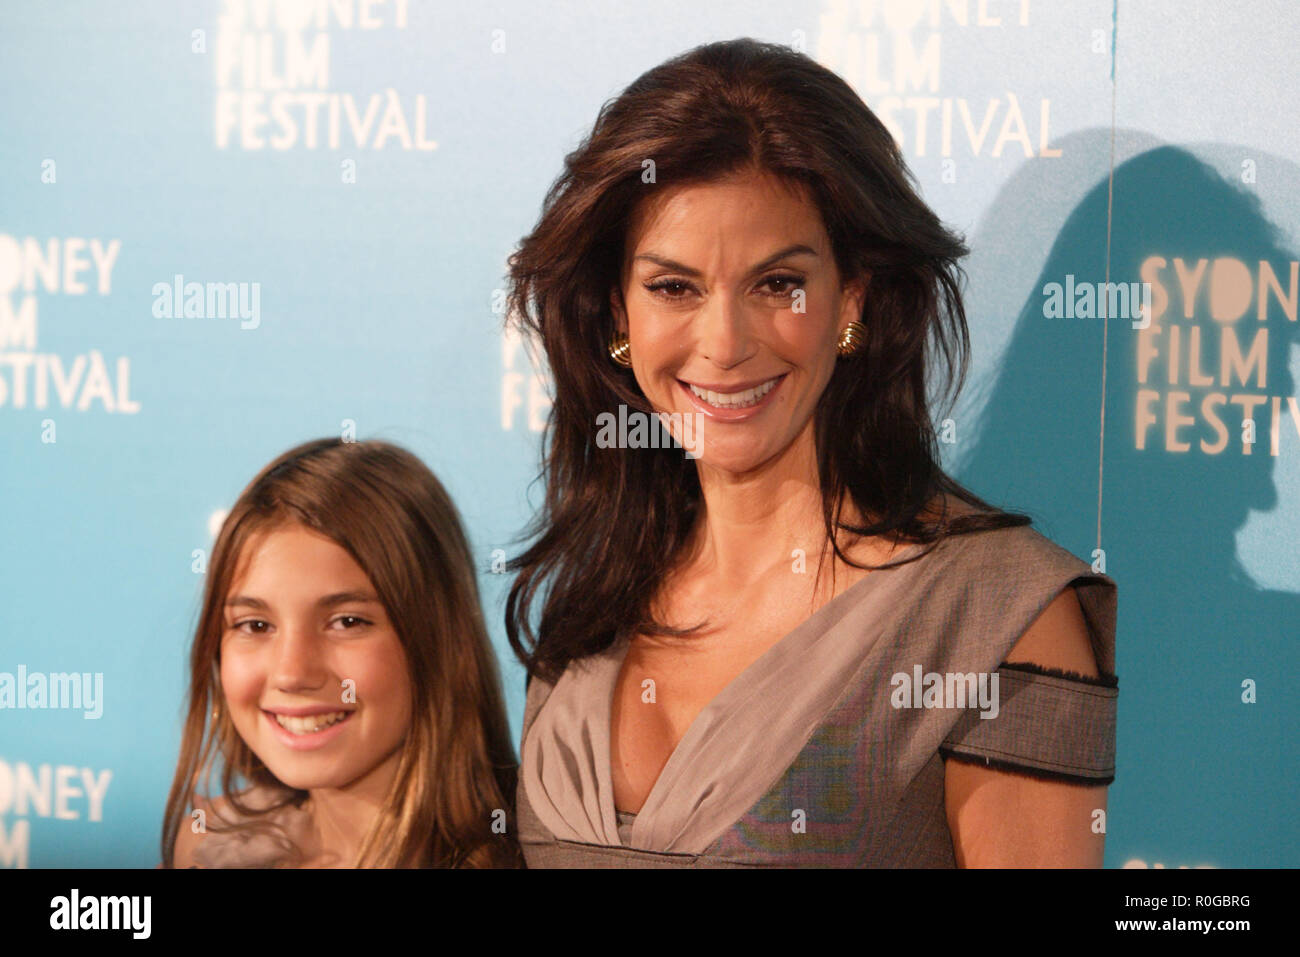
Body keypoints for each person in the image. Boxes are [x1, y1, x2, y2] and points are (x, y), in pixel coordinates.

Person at [502, 38, 1118, 867]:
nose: (723, 344)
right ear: (619, 314)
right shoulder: (597, 589)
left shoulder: (992, 616)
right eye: (673, 287)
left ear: (851, 299)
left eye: (777, 284)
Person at [160, 438, 522, 868]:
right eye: (255, 625)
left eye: (347, 622)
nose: (292, 673)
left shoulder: (540, 857)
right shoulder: (204, 846)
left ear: (439, 641)